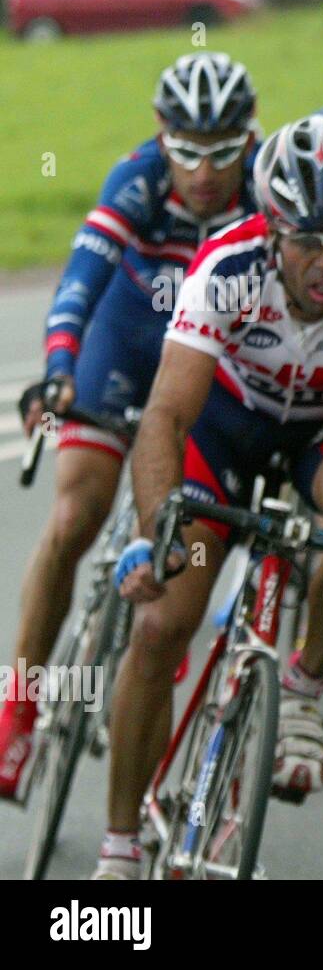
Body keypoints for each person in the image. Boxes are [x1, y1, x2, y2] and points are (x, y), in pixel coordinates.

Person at [99, 116, 323, 879]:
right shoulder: (227, 267)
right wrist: (159, 530)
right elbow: (165, 415)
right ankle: (120, 846)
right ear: (271, 231)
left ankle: (302, 684)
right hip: (219, 429)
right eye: (307, 242)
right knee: (162, 622)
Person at [0, 52, 258, 801]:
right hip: (125, 343)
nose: (204, 170)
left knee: (184, 523)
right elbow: (81, 278)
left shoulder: (263, 189)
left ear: (248, 139)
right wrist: (57, 366)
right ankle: (19, 708)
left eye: (222, 151)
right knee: (77, 511)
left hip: (202, 365)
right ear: (160, 136)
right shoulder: (137, 178)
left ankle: (160, 648)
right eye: (187, 151)